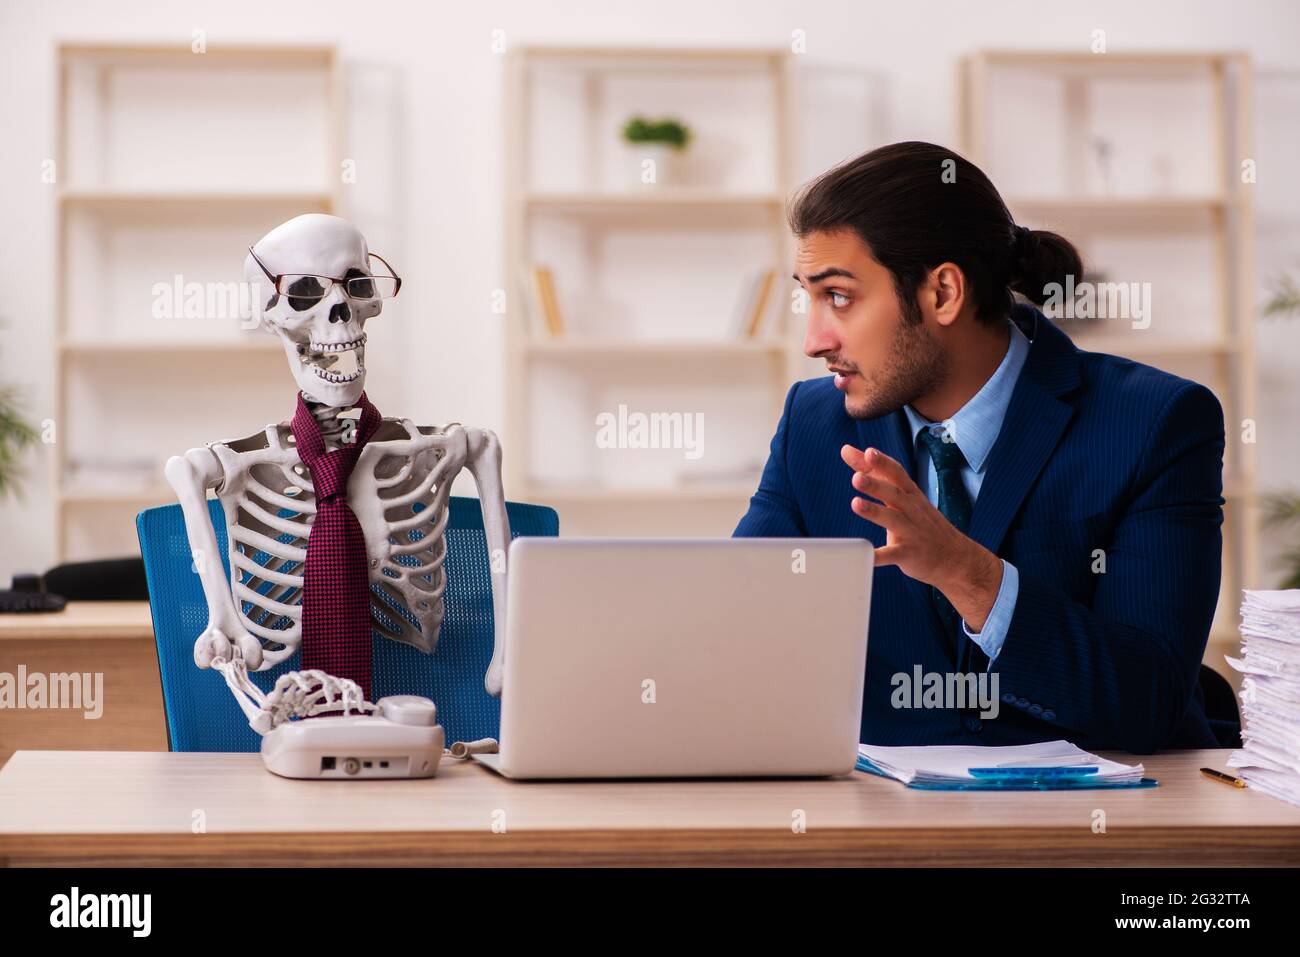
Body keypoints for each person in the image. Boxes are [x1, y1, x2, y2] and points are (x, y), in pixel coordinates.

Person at [734, 141, 1223, 752]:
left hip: (1100, 822)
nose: (812, 340)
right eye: (807, 297)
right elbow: (739, 631)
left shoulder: (1154, 422)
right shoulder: (814, 422)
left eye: (838, 296)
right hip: (875, 822)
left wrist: (964, 571)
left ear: (943, 292)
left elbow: (1147, 701)